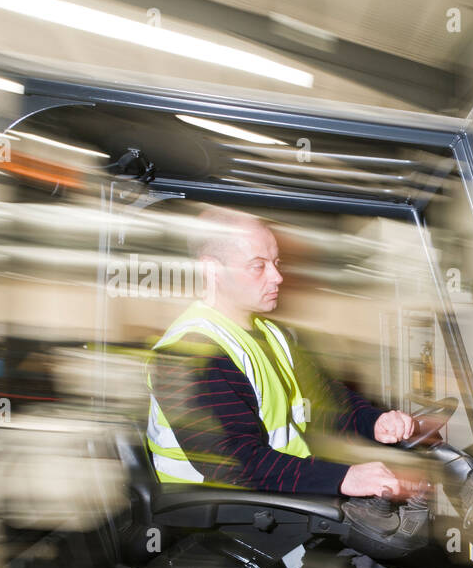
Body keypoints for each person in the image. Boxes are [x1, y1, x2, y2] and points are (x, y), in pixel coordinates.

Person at [146, 207, 417, 498]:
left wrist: (373, 422)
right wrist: (344, 477)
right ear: (211, 269)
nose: (277, 277)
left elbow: (327, 400)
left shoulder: (271, 334)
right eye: (258, 266)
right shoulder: (189, 354)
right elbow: (234, 464)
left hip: (275, 496)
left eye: (276, 263)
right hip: (219, 512)